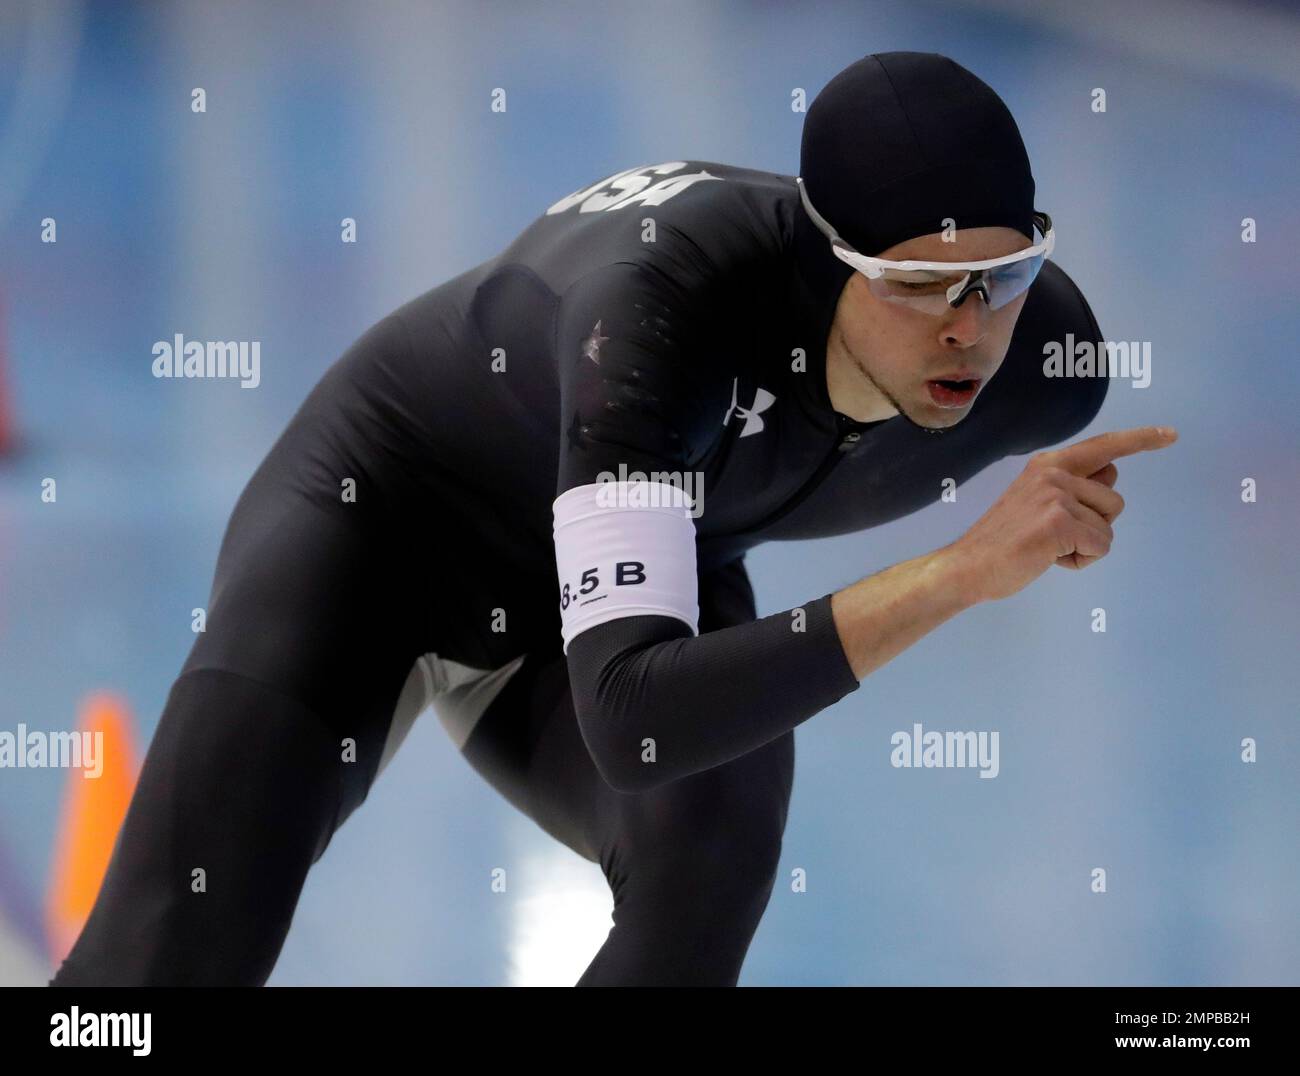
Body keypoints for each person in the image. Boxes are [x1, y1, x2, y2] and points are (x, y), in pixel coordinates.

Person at [49, 51, 1175, 987]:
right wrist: (957, 573)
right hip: (384, 531)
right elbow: (634, 721)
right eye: (918, 284)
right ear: (828, 261)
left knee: (717, 839)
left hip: (640, 557)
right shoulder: (661, 320)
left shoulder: (1045, 368)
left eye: (1003, 273)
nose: (968, 331)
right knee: (161, 963)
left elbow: (653, 724)